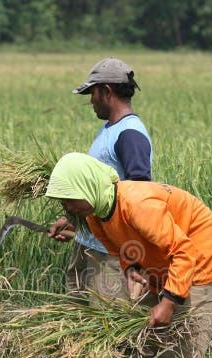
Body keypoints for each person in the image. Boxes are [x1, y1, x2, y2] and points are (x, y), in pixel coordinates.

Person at [46, 152, 212, 358]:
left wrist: (168, 303)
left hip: (202, 262)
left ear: (87, 186)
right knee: (136, 340)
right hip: (165, 263)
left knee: (182, 348)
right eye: (63, 202)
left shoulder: (138, 204)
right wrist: (132, 267)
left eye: (70, 199)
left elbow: (184, 252)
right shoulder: (96, 215)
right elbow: (121, 246)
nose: (68, 208)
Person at [51, 58, 153, 304]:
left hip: (111, 255)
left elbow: (139, 195)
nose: (91, 101)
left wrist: (134, 257)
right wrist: (75, 221)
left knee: (106, 319)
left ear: (106, 91)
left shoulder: (130, 134)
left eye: (92, 93)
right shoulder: (109, 129)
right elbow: (98, 194)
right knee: (76, 316)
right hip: (89, 244)